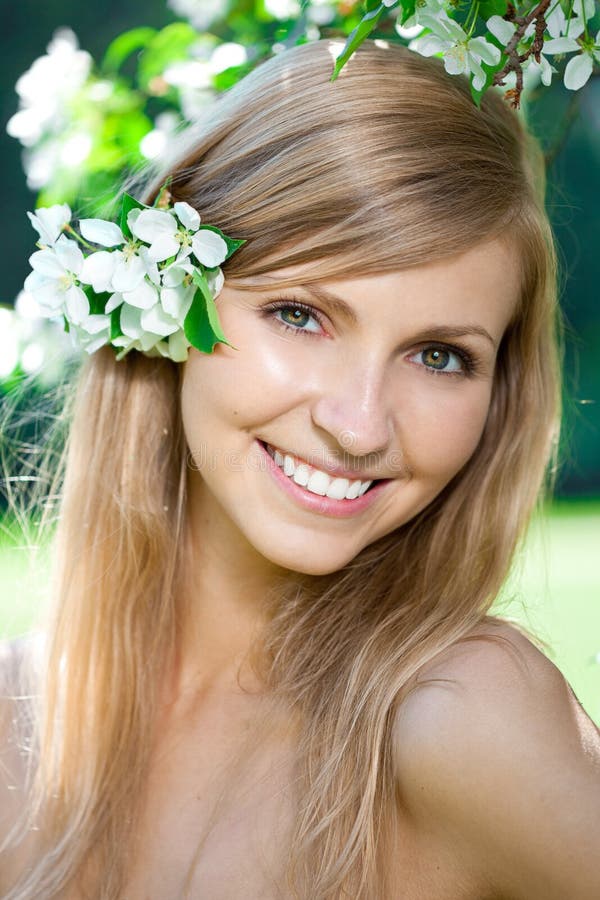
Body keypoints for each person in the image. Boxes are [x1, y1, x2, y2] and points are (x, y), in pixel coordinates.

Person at [1, 37, 599, 900]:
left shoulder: (458, 718)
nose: (358, 425)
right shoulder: (18, 712)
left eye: (437, 356)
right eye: (301, 314)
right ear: (168, 300)